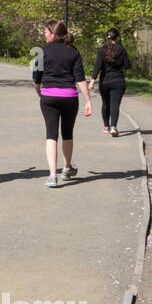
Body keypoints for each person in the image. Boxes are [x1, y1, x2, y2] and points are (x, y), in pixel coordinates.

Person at [32, 20, 93, 187]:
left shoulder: (41, 52)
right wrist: (88, 100)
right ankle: (66, 169)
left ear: (52, 33)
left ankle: (53, 175)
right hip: (69, 97)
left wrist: (40, 94)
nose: (44, 35)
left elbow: (36, 80)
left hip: (48, 97)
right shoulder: (73, 52)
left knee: (51, 135)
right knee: (67, 133)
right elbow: (80, 79)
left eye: (45, 32)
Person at [90, 28, 133, 137]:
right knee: (115, 104)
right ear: (117, 37)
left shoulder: (101, 49)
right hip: (118, 82)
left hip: (104, 82)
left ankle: (106, 126)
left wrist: (92, 81)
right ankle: (114, 127)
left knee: (105, 104)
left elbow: (97, 66)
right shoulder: (121, 49)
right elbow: (127, 66)